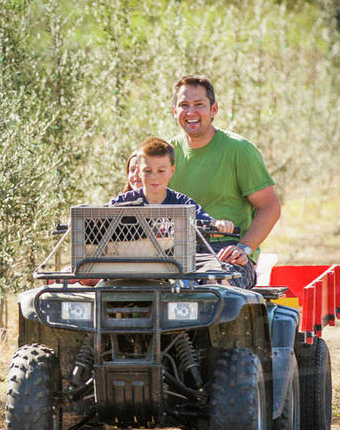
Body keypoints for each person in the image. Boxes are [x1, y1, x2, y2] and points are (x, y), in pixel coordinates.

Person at [166, 75, 281, 290]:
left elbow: (270, 206)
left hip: (227, 254)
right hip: (178, 254)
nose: (191, 112)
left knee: (215, 290)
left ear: (214, 109)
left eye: (199, 104)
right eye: (184, 105)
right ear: (175, 112)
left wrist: (244, 248)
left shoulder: (239, 150)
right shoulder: (166, 156)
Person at [109, 136, 234, 234]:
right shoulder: (126, 200)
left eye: (161, 171)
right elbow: (99, 216)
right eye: (147, 171)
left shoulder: (182, 203)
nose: (154, 177)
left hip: (174, 263)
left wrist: (219, 225)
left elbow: (207, 221)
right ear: (139, 171)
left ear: (172, 171)